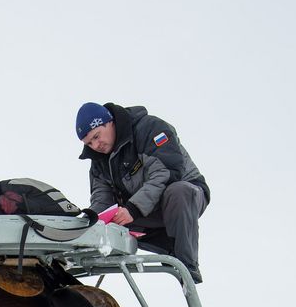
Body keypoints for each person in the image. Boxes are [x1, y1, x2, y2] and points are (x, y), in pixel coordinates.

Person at [75, 101, 210, 281]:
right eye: (89, 142)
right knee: (110, 223)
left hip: (184, 195)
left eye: (97, 136)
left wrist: (133, 209)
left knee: (178, 192)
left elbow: (166, 172)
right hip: (142, 209)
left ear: (110, 122)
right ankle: (166, 246)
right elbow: (102, 199)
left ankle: (187, 266)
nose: (96, 145)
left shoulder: (149, 129)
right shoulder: (99, 161)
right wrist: (87, 226)